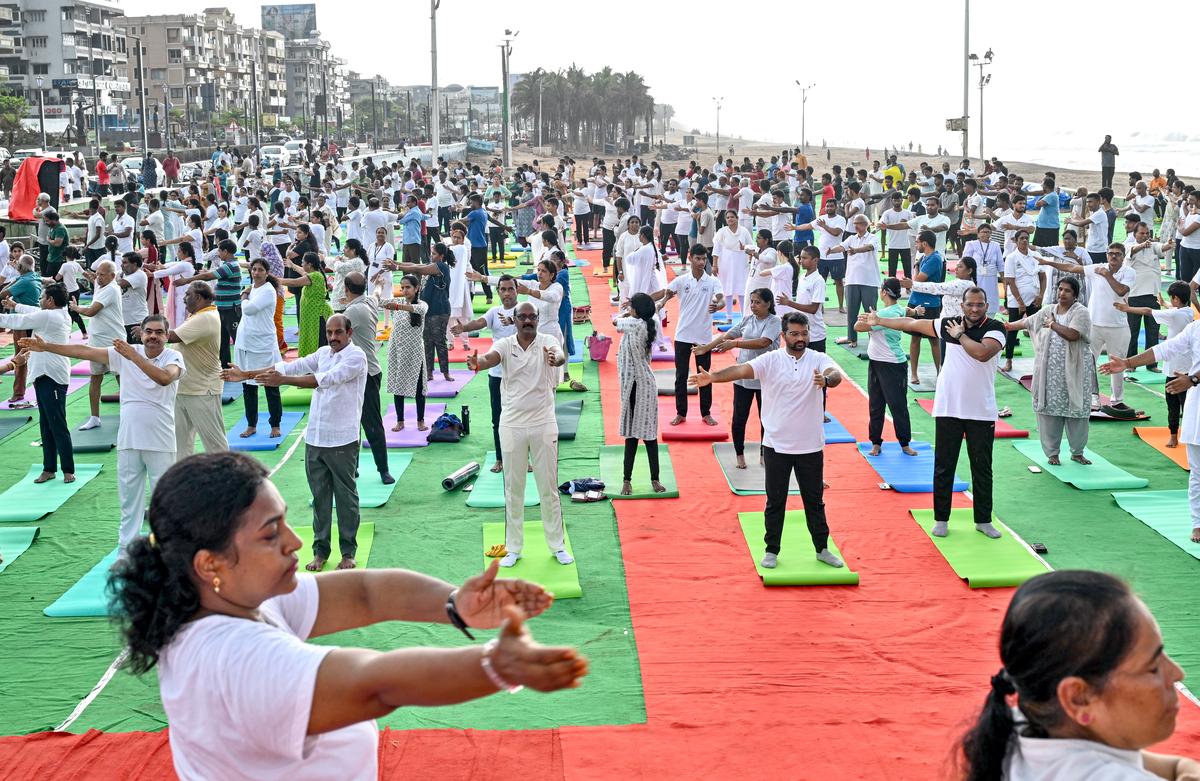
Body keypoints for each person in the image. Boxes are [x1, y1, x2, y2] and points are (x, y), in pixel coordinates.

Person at [107, 451, 588, 781]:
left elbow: (365, 593)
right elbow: (375, 683)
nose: (294, 542)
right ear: (210, 563)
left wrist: (455, 606)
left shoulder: (235, 599)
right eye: (271, 533)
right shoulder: (229, 657)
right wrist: (494, 665)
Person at [958, 570, 1196, 781]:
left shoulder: (1020, 730)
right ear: (1078, 698)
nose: (1177, 673)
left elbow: (1171, 766)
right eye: (1152, 667)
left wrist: (1183, 766)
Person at [690, 312, 845, 569]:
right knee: (775, 500)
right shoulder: (771, 360)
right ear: (783, 336)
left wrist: (826, 380)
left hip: (810, 446)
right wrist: (713, 377)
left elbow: (835, 375)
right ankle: (772, 549)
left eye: (804, 333)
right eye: (794, 334)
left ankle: (822, 549)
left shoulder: (818, 358)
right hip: (776, 445)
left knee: (814, 501)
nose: (800, 338)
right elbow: (741, 369)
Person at [23, 315, 185, 552]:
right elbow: (83, 351)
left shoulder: (173, 357)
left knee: (164, 502)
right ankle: (126, 552)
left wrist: (133, 356)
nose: (153, 336)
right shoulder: (127, 352)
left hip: (161, 439)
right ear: (140, 333)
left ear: (167, 335)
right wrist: (46, 347)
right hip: (129, 439)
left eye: (159, 332)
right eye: (148, 331)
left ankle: (167, 551)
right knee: (129, 503)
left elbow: (164, 378)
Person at [225, 316, 368, 571]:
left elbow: (320, 380)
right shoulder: (324, 352)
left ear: (350, 332)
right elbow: (290, 366)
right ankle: (320, 552)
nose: (333, 337)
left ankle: (348, 552)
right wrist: (245, 374)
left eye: (338, 332)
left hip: (343, 439)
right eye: (329, 332)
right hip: (315, 438)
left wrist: (283, 381)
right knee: (320, 498)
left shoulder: (356, 357)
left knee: (346, 498)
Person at [861, 288, 1005, 539]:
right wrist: (881, 320)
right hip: (948, 408)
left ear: (986, 305)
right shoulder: (947, 324)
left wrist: (960, 336)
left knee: (982, 467)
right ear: (962, 305)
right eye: (970, 304)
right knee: (943, 466)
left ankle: (983, 520)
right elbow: (912, 322)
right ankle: (941, 519)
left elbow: (982, 353)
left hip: (980, 410)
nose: (974, 309)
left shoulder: (995, 328)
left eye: (979, 304)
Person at [467, 302, 574, 569]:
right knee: (513, 489)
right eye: (522, 317)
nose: (527, 321)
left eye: (531, 317)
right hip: (512, 425)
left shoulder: (548, 340)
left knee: (548, 487)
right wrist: (476, 363)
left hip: (543, 423)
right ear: (514, 320)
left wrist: (556, 360)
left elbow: (558, 355)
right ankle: (513, 547)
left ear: (537, 319)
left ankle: (557, 545)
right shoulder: (505, 344)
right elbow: (489, 359)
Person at [1006, 277, 1097, 466]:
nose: (1062, 293)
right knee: (1049, 410)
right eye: (1060, 289)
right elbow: (1029, 322)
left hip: (1076, 369)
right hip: (1050, 372)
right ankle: (1052, 453)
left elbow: (1073, 335)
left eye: (1067, 291)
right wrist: (1008, 326)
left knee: (1077, 410)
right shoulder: (1049, 310)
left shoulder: (1081, 312)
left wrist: (1053, 325)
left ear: (1075, 295)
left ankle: (1077, 452)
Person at [1037, 242, 1134, 411]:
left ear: (1123, 256)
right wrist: (1048, 263)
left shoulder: (1129, 272)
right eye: (1111, 253)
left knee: (1117, 363)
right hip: (1094, 325)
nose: (1113, 256)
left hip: (1118, 326)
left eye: (1118, 254)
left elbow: (1120, 291)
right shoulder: (1098, 268)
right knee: (1087, 362)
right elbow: (1071, 268)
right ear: (1106, 255)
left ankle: (1117, 400)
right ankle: (1092, 397)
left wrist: (1107, 275)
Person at [693, 288, 780, 468]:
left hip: (766, 378)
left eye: (757, 302)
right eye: (752, 302)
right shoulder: (748, 319)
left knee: (768, 419)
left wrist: (736, 343)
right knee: (739, 418)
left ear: (768, 304)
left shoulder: (775, 321)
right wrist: (706, 347)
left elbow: (764, 342)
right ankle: (739, 454)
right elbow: (727, 335)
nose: (753, 306)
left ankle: (765, 453)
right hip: (743, 378)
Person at [0, 284, 74, 482]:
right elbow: (32, 311)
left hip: (52, 375)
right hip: (44, 375)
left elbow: (20, 320)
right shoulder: (57, 312)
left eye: (42, 297)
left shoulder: (50, 316)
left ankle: (68, 470)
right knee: (46, 423)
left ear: (50, 301)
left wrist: (9, 312)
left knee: (57, 423)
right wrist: (15, 304)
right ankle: (49, 469)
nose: (40, 300)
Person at [1116, 282, 1196, 447]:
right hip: (1184, 368)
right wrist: (1164, 304)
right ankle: (1178, 436)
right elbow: (1171, 309)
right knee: (1183, 407)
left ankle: (1176, 437)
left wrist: (1127, 309)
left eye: (1171, 298)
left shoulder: (1175, 315)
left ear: (1176, 298)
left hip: (1178, 369)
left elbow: (1147, 311)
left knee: (1175, 406)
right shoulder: (1186, 312)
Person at [452, 276, 518, 473]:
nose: (506, 293)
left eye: (510, 289)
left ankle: (523, 458)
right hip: (497, 374)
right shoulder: (494, 312)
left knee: (521, 419)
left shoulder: (525, 310)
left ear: (516, 290)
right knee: (498, 418)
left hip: (519, 374)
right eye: (503, 289)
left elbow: (532, 321)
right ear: (498, 291)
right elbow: (480, 323)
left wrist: (514, 319)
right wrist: (463, 327)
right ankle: (500, 458)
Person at [654, 244, 724, 426]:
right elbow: (666, 293)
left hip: (703, 339)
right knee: (681, 376)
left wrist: (718, 305)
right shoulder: (682, 280)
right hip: (683, 335)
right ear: (690, 258)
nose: (701, 262)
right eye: (698, 258)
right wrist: (660, 303)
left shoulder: (712, 282)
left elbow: (721, 298)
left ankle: (706, 413)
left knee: (705, 376)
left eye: (704, 259)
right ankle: (681, 413)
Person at [854, 278, 918, 457]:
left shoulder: (884, 314)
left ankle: (904, 443)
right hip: (876, 362)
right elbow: (908, 311)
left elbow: (857, 327)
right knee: (876, 404)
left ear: (883, 292)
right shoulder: (898, 308)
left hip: (892, 365)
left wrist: (866, 318)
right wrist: (917, 310)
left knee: (896, 406)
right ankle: (877, 442)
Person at [342, 272, 393, 484]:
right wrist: (379, 284)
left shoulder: (353, 310)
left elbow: (338, 330)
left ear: (346, 289)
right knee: (353, 422)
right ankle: (354, 468)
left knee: (370, 424)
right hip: (366, 370)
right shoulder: (369, 302)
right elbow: (377, 294)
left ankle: (383, 470)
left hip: (365, 374)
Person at [614, 293, 667, 495]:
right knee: (637, 434)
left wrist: (626, 311)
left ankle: (635, 480)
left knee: (643, 435)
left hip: (641, 385)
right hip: (635, 383)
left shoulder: (635, 324)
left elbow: (615, 321)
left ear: (636, 311)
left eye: (632, 306)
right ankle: (639, 480)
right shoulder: (648, 321)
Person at [225, 259, 283, 440]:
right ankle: (251, 425)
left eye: (260, 270)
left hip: (263, 345)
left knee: (270, 385)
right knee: (247, 387)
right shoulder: (253, 288)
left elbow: (249, 310)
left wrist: (243, 296)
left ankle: (275, 424)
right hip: (245, 343)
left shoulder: (267, 290)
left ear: (267, 272)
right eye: (254, 269)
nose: (256, 273)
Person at [71, 259, 124, 431]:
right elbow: (94, 277)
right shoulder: (101, 285)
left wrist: (76, 308)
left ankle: (130, 414)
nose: (98, 277)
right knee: (95, 378)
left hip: (113, 341)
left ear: (113, 276)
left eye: (102, 274)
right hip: (97, 340)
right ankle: (95, 417)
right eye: (98, 274)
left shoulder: (111, 289)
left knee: (122, 378)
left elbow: (91, 311)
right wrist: (90, 274)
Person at [395, 242, 455, 385]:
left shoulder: (441, 267)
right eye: (431, 253)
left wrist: (396, 267)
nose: (431, 256)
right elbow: (415, 264)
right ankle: (429, 372)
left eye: (434, 254)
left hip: (440, 310)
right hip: (427, 310)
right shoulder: (431, 266)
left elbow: (417, 268)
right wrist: (396, 262)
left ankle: (445, 372)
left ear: (441, 256)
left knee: (439, 341)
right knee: (427, 342)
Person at [1123, 221, 1175, 365]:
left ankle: (1152, 364)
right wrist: (1142, 245)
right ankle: (1131, 363)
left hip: (1153, 295)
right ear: (1135, 234)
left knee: (1153, 331)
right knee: (1133, 331)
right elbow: (1131, 251)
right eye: (1142, 233)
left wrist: (1168, 244)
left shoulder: (1153, 246)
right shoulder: (1128, 245)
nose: (1145, 236)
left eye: (1147, 233)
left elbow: (1162, 247)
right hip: (1135, 295)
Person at [383, 275, 429, 430]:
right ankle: (400, 421)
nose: (404, 290)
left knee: (418, 388)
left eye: (408, 287)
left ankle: (420, 421)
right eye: (402, 288)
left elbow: (418, 309)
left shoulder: (422, 304)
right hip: (397, 350)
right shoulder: (398, 302)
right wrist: (376, 288)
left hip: (415, 352)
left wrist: (397, 307)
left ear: (416, 288)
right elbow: (379, 302)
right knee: (398, 385)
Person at [1002, 231, 1048, 374]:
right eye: (1021, 238)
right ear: (1016, 241)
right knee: (1012, 330)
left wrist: (1041, 295)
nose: (1024, 240)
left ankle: (1041, 361)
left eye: (1026, 238)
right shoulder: (1011, 258)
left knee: (1038, 329)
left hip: (1034, 298)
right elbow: (1010, 281)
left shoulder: (1035, 256)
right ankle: (1008, 360)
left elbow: (1043, 277)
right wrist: (1020, 302)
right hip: (1016, 300)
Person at [830, 214, 879, 348]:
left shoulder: (873, 238)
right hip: (852, 280)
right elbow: (841, 247)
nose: (856, 226)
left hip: (869, 281)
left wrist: (856, 250)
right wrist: (830, 251)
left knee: (870, 312)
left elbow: (869, 247)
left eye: (859, 223)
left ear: (866, 225)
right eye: (855, 223)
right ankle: (852, 339)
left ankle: (873, 340)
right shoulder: (851, 238)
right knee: (852, 311)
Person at [905, 229, 946, 384]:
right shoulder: (924, 257)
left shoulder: (935, 259)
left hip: (930, 304)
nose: (915, 244)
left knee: (934, 340)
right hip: (916, 300)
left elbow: (919, 279)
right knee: (915, 339)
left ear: (924, 243)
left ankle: (939, 372)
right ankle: (914, 373)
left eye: (917, 242)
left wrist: (915, 268)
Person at [279, 252, 333, 357]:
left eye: (303, 262)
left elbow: (294, 282)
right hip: (312, 317)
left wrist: (275, 280)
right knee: (311, 339)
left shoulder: (315, 276)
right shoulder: (314, 274)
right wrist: (293, 266)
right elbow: (303, 271)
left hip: (317, 317)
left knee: (317, 343)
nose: (302, 264)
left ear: (310, 264)